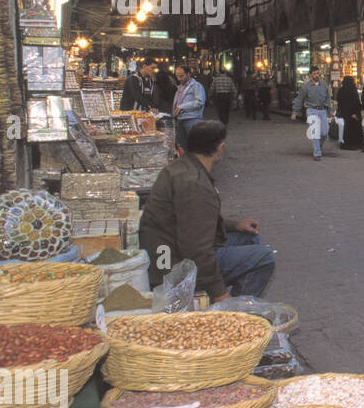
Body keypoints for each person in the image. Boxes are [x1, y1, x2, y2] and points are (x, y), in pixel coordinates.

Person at [139, 120, 276, 301]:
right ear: (220, 147)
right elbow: (196, 248)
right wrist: (218, 292)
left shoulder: (183, 167)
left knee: (249, 237)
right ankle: (233, 312)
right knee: (264, 257)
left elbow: (195, 219)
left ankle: (236, 297)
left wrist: (234, 225)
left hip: (170, 249)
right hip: (172, 264)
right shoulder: (194, 183)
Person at [291, 64, 334, 160]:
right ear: (311, 75)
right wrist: (295, 112)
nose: (316, 75)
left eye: (318, 73)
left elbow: (328, 99)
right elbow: (299, 99)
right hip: (311, 110)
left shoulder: (324, 85)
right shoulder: (306, 87)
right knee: (315, 132)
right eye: (314, 74)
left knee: (324, 132)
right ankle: (317, 153)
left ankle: (319, 146)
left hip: (322, 110)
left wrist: (330, 111)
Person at [172, 65, 207, 155]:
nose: (179, 78)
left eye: (181, 76)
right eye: (177, 76)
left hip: (192, 119)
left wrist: (181, 107)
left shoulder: (197, 86)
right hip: (180, 119)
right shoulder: (180, 87)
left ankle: (197, 165)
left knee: (194, 145)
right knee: (182, 145)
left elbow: (200, 102)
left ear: (188, 74)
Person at [336, 76, 364, 150]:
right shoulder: (352, 90)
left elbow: (340, 102)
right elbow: (355, 102)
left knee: (346, 129)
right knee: (354, 128)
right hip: (353, 113)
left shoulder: (341, 90)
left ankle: (345, 143)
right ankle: (354, 144)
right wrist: (355, 112)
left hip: (344, 113)